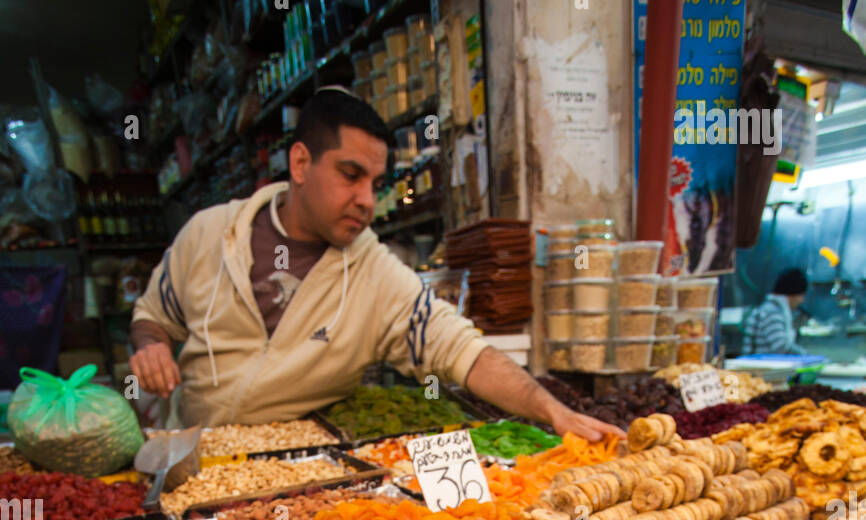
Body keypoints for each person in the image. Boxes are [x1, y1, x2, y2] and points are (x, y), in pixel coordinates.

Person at [129, 89, 621, 441]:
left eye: (375, 182)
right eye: (350, 175)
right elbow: (154, 315)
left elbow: (462, 350)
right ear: (300, 164)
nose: (366, 200)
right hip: (190, 455)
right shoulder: (211, 233)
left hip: (306, 462)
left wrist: (551, 410)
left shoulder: (374, 274)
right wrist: (151, 346)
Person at [742, 269, 808, 356]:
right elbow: (781, 347)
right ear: (792, 293)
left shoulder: (774, 308)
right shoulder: (772, 312)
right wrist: (806, 355)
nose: (801, 301)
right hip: (759, 367)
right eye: (801, 295)